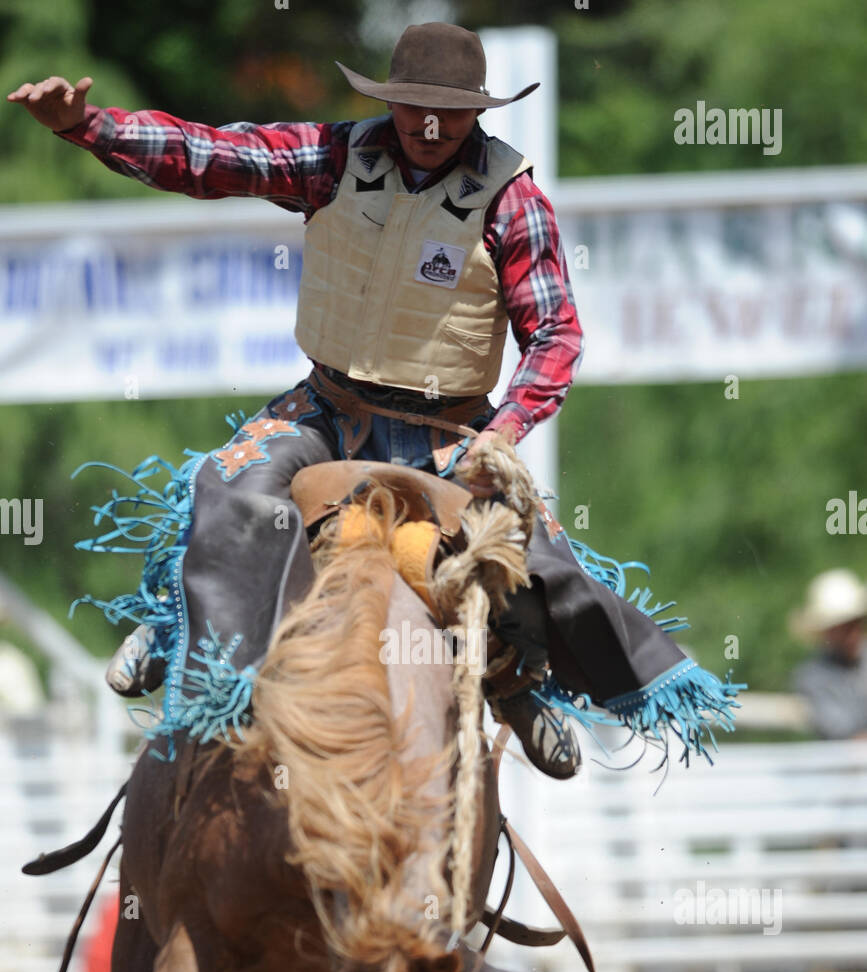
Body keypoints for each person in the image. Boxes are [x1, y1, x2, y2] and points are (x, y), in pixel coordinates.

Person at [8, 23, 738, 775]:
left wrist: (506, 431)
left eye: (447, 112)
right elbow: (213, 156)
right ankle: (184, 634)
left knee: (535, 557)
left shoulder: (511, 199)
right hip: (327, 406)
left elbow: (554, 333)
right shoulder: (331, 157)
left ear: (477, 113)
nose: (428, 126)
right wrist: (87, 126)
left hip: (450, 427)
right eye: (414, 107)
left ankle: (518, 684)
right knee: (227, 484)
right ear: (389, 103)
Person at [790, 569, 867, 740]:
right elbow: (847, 737)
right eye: (844, 627)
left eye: (855, 623)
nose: (853, 633)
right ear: (828, 631)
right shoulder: (813, 677)